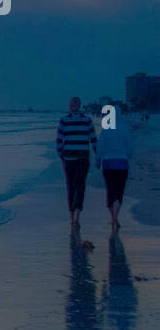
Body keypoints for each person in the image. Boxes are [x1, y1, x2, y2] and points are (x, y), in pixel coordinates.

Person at [56, 96, 95, 227]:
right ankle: (77, 213)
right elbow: (93, 140)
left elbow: (59, 142)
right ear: (79, 105)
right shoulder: (87, 120)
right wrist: (99, 156)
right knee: (80, 185)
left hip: (69, 158)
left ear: (70, 106)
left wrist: (61, 156)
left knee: (70, 186)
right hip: (83, 157)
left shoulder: (64, 121)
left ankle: (71, 216)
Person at [96, 115, 133, 231]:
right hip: (122, 163)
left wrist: (98, 161)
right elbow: (130, 147)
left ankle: (113, 217)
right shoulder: (125, 129)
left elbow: (100, 148)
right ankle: (115, 217)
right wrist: (127, 157)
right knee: (120, 190)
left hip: (108, 163)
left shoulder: (106, 130)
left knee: (110, 190)